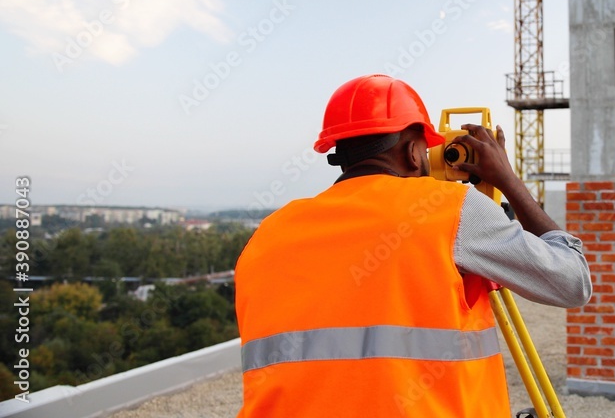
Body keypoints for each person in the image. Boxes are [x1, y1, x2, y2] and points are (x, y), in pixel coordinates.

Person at [235, 74, 592, 417]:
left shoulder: (269, 233)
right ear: (412, 152)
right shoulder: (446, 209)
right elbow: (572, 282)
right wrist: (507, 179)